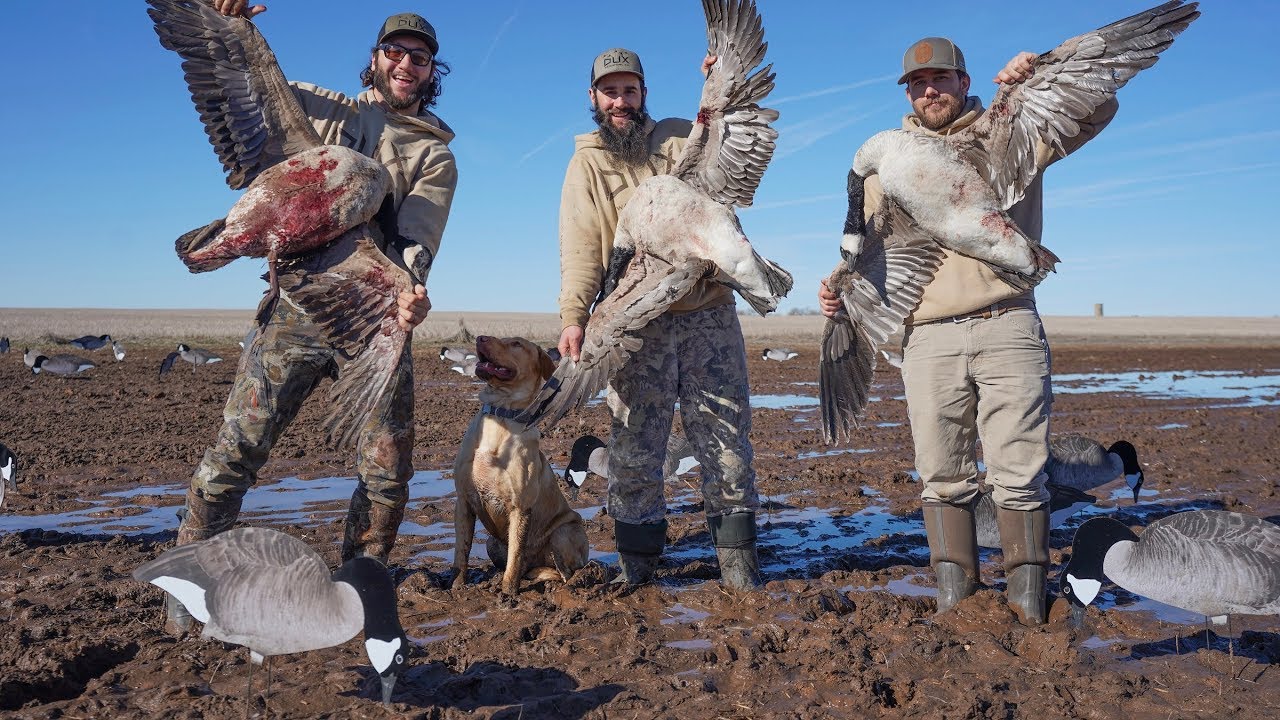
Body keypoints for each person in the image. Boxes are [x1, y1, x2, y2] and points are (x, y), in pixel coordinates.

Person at [168, 0, 458, 633]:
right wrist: (230, 18)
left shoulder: (436, 155)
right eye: (396, 52)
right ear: (377, 59)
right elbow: (229, 61)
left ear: (434, 70)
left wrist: (409, 286)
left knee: (387, 474)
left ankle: (355, 597)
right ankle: (187, 589)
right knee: (236, 452)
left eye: (420, 57)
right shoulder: (324, 110)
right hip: (294, 308)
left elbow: (417, 233)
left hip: (374, 314)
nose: (407, 64)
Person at [819, 38, 1116, 624]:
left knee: (1020, 472)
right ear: (907, 92)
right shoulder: (886, 162)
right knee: (942, 475)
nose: (930, 90)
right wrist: (837, 284)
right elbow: (871, 248)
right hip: (928, 336)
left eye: (941, 79)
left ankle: (1027, 606)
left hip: (1007, 322)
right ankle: (959, 608)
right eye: (918, 83)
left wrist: (1038, 73)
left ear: (963, 81)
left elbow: (1095, 110)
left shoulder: (1011, 131)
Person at [556, 48, 762, 590]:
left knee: (724, 439)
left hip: (708, 314)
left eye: (629, 89)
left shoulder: (678, 137)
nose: (620, 100)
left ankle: (740, 570)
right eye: (610, 91)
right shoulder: (589, 163)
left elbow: (724, 143)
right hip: (635, 323)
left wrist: (720, 80)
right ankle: (638, 573)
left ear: (644, 92)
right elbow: (581, 247)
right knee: (634, 449)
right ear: (594, 98)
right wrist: (576, 316)